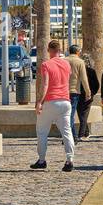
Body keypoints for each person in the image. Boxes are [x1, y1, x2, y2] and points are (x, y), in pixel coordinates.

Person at [31, 40, 74, 172]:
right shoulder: (66, 64)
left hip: (51, 101)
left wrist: (39, 102)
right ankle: (69, 160)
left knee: (42, 131)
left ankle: (42, 160)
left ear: (49, 50)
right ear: (59, 50)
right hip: (66, 101)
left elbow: (45, 85)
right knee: (66, 131)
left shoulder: (46, 65)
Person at [65, 44, 89, 140]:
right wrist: (88, 92)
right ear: (78, 52)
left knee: (65, 115)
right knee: (71, 114)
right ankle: (72, 136)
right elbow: (84, 78)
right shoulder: (80, 62)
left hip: (63, 91)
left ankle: (68, 136)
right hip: (74, 91)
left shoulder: (64, 61)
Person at [79, 53, 100, 139]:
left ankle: (81, 133)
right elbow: (96, 84)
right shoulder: (92, 71)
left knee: (81, 114)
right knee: (84, 114)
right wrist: (92, 93)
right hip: (88, 95)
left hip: (79, 94)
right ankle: (85, 132)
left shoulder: (79, 71)